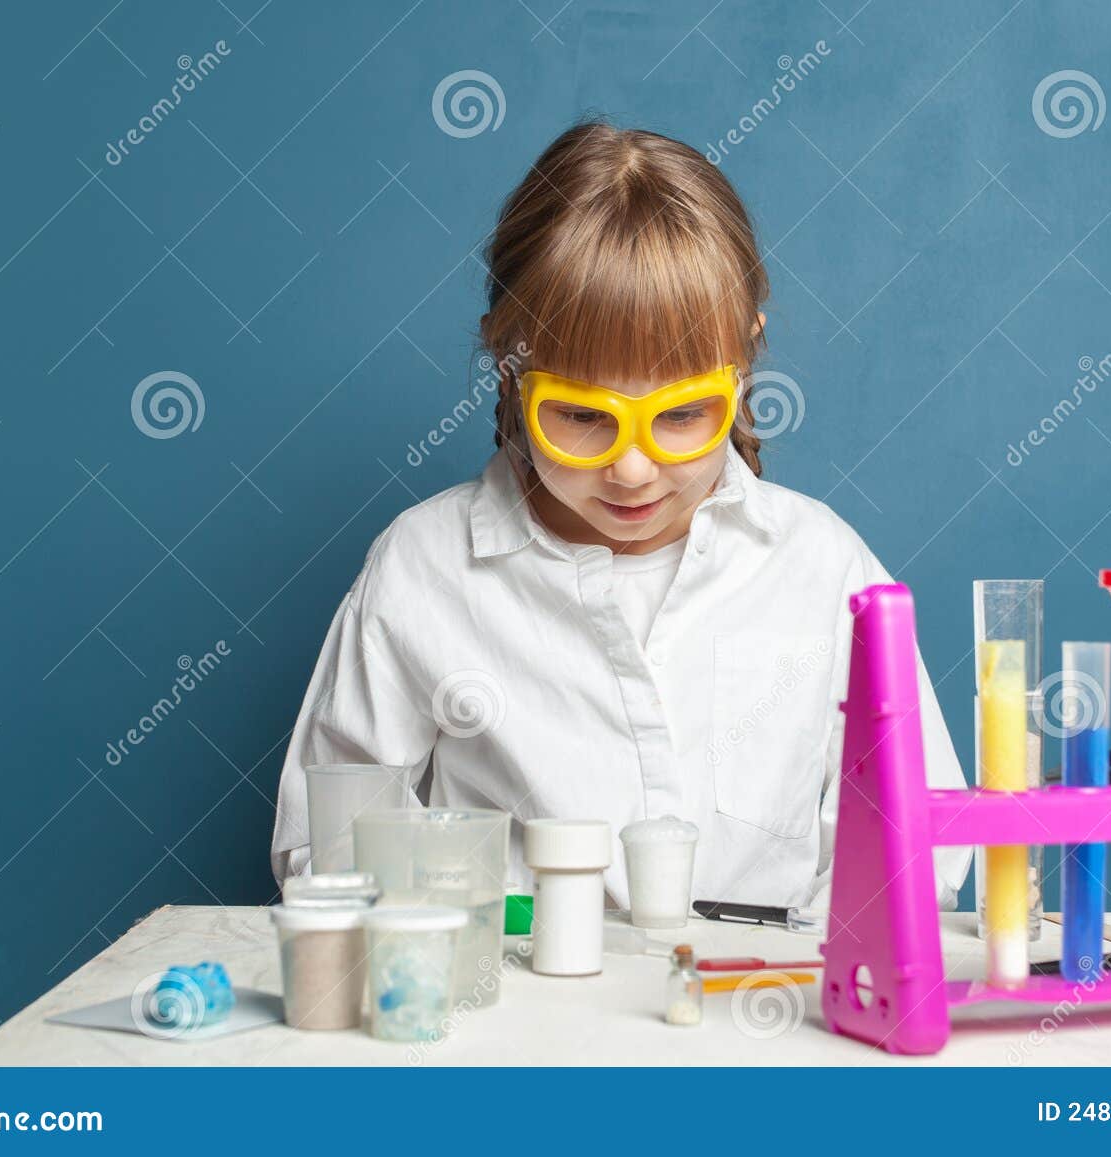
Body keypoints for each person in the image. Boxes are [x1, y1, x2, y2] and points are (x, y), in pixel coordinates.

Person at [271, 119, 971, 910]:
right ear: (510, 371)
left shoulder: (823, 569)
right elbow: (327, 856)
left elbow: (912, 851)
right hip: (513, 1023)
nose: (632, 469)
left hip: (764, 1015)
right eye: (581, 418)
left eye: (680, 416)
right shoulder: (424, 569)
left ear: (744, 362)